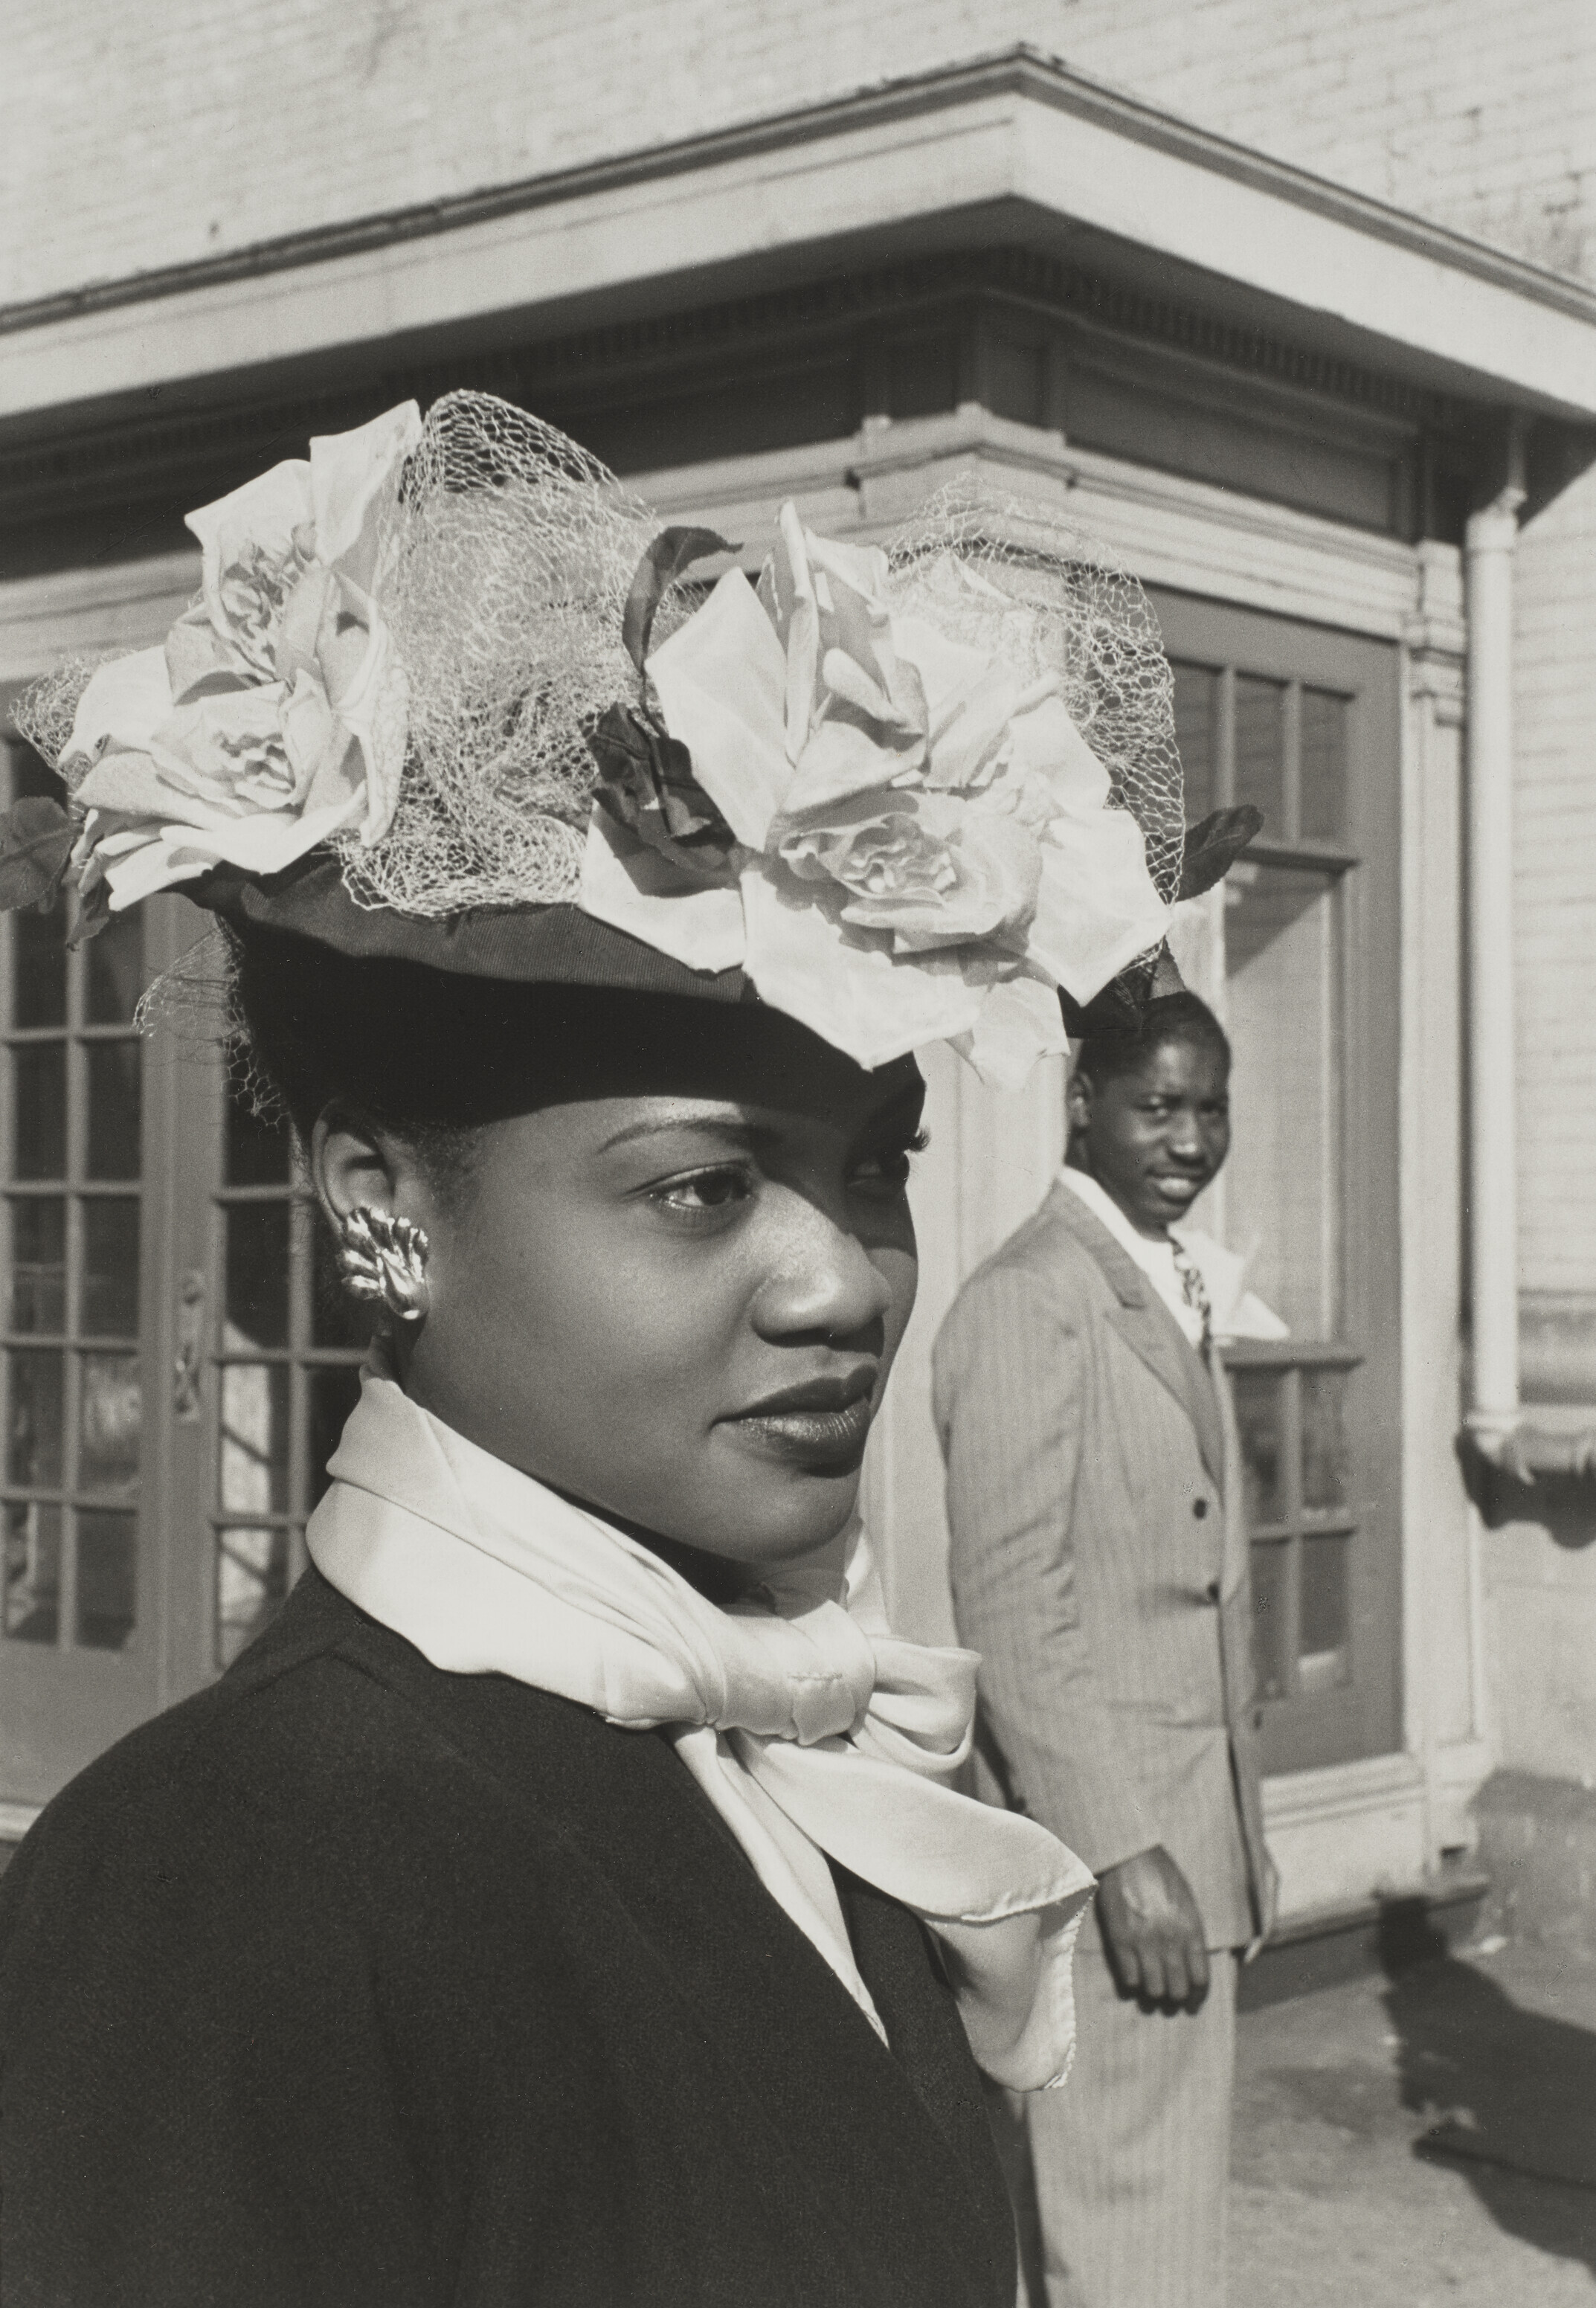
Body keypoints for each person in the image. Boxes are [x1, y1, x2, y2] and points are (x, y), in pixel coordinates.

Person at [0, 393, 1209, 2307]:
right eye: (701, 1189)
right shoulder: (236, 1872)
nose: (844, 1282)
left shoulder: (793, 1740)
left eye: (870, 1169)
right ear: (381, 1203)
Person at [933, 990, 1274, 2308]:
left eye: (1210, 1108)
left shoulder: (1147, 1278)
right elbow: (1014, 1604)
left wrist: (1233, 1835)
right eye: (1157, 1106)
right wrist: (1128, 1855)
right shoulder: (1037, 1298)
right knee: (1119, 2226)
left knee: (1151, 2214)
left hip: (1191, 1841)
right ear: (1080, 1102)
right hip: (1117, 1859)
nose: (1188, 1140)